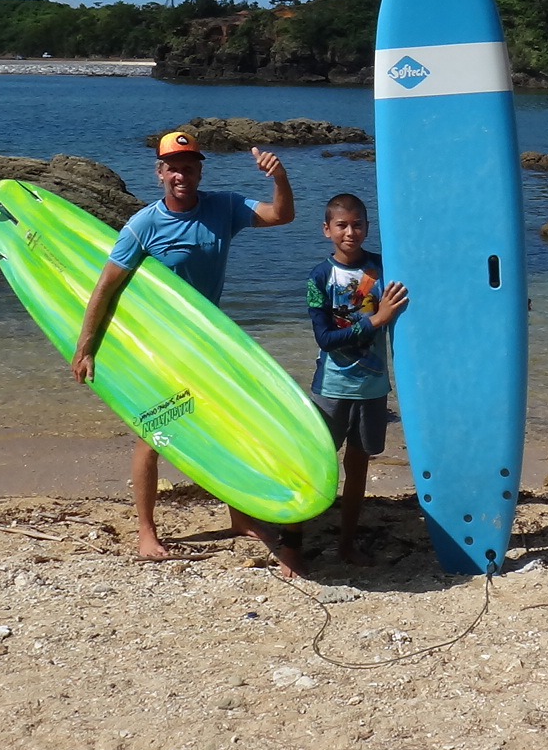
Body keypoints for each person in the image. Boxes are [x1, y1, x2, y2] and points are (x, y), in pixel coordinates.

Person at [70, 130, 295, 560]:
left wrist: (279, 177)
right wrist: (86, 347)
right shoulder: (142, 225)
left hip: (209, 343)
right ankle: (146, 533)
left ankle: (240, 516)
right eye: (173, 167)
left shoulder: (224, 207)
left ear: (199, 171)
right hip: (161, 348)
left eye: (189, 167)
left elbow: (281, 215)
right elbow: (105, 288)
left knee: (225, 429)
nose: (181, 175)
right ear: (159, 173)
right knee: (151, 434)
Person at [275, 193, 408, 577]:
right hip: (331, 387)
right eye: (342, 225)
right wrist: (376, 320)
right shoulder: (320, 277)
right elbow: (325, 339)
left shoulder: (383, 270)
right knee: (312, 465)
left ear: (368, 227)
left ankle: (346, 544)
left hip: (372, 389)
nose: (351, 232)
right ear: (327, 230)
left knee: (358, 468)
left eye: (358, 225)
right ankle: (291, 546)